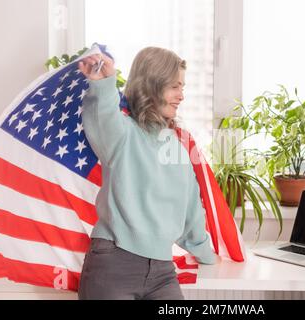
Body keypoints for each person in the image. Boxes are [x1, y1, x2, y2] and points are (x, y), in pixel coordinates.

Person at [77, 47, 217, 300]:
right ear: (153, 85)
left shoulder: (177, 147)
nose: (181, 96)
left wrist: (207, 254)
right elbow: (103, 116)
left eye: (182, 87)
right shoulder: (122, 133)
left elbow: (192, 212)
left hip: (162, 271)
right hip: (113, 264)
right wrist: (104, 84)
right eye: (175, 86)